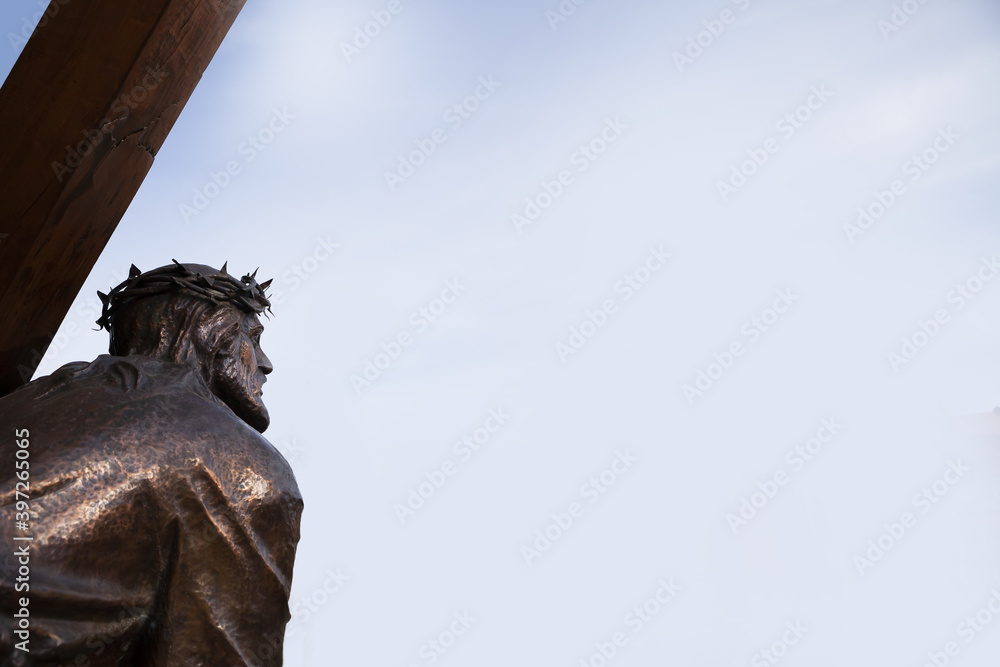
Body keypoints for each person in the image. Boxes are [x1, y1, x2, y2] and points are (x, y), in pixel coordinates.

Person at [0, 261, 303, 666]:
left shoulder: (28, 400)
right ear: (210, 329)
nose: (265, 364)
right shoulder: (231, 457)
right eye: (253, 337)